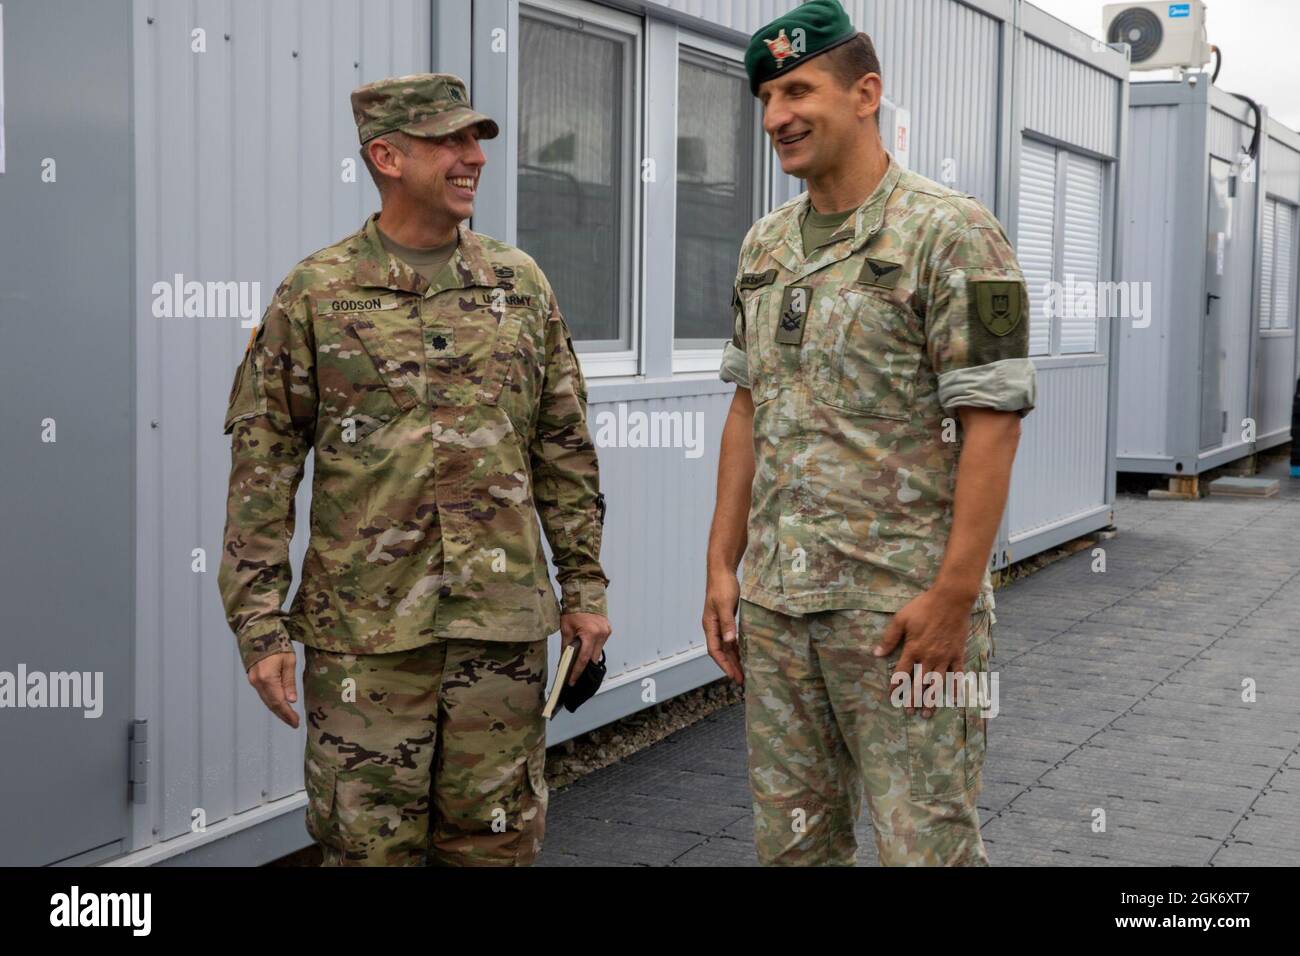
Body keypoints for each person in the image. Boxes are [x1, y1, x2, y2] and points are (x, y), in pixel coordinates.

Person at [218, 73, 611, 866]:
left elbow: (561, 447)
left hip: (499, 636)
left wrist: (587, 591)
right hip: (366, 642)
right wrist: (259, 625)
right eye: (452, 142)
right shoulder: (317, 294)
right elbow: (263, 461)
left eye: (477, 142)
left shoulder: (519, 286)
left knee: (495, 849)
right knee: (366, 852)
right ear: (387, 156)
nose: (474, 158)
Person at [702, 0, 1037, 866]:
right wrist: (720, 566)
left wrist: (953, 598)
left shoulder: (954, 233)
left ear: (866, 94)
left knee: (924, 847)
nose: (777, 116)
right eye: (767, 97)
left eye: (799, 90)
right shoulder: (764, 246)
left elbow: (992, 421)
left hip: (902, 610)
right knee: (793, 849)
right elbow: (748, 407)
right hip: (779, 612)